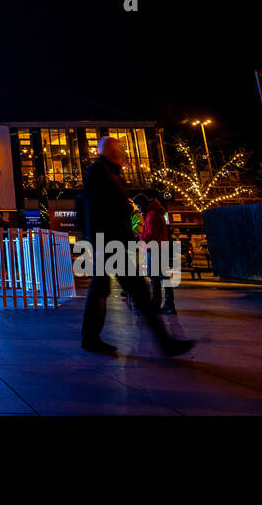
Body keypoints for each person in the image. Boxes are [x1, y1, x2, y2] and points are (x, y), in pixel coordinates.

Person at [79, 136, 195, 357]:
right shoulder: (101, 174)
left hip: (109, 242)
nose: (123, 155)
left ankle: (91, 338)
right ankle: (165, 343)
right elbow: (106, 213)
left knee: (103, 290)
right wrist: (123, 239)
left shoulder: (106, 173)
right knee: (137, 291)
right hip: (111, 242)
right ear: (113, 153)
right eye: (120, 150)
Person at [139, 194, 175, 314]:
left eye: (139, 205)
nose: (139, 209)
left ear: (143, 203)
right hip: (160, 246)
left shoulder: (151, 215)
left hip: (155, 248)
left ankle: (158, 304)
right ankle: (167, 303)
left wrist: (139, 237)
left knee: (155, 277)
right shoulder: (155, 213)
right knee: (161, 276)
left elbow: (150, 234)